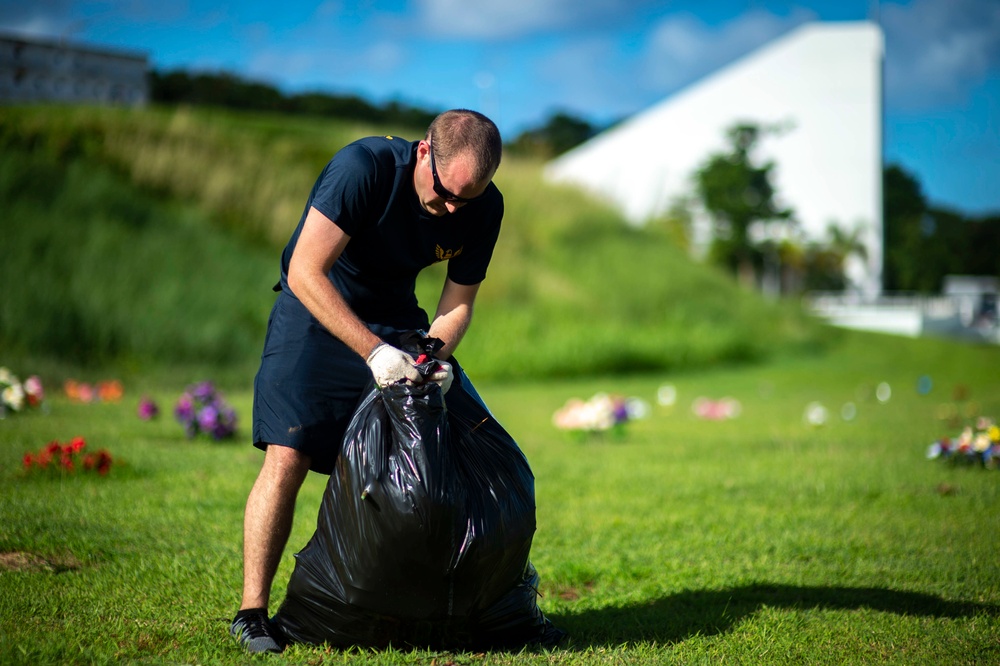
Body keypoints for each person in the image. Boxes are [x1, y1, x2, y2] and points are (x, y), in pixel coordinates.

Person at [229, 109, 504, 654]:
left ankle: (396, 607)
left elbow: (458, 303)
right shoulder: (364, 168)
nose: (452, 209)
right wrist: (374, 352)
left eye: (465, 202)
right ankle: (251, 612)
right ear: (425, 153)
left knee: (422, 458)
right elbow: (307, 271)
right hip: (315, 309)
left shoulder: (482, 207)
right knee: (288, 454)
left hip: (395, 316)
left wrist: (431, 357)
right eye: (446, 194)